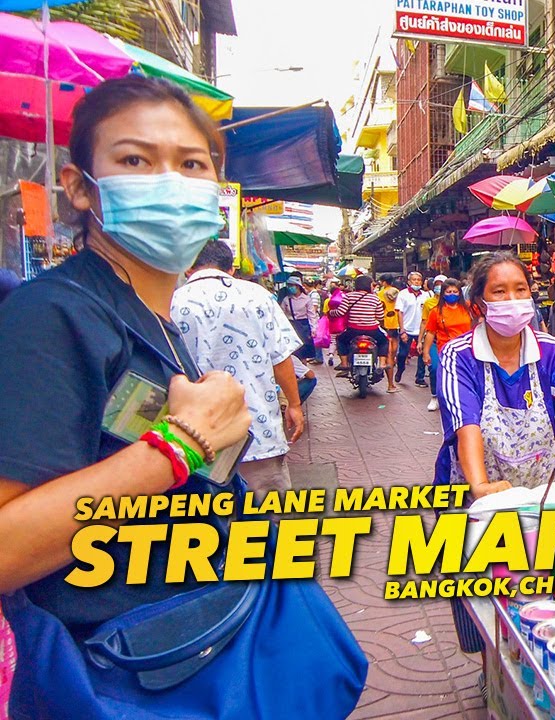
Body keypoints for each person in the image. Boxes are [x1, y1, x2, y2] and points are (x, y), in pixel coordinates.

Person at [0, 75, 364, 717]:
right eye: (136, 160)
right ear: (80, 186)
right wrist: (180, 444)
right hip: (127, 678)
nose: (169, 183)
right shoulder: (51, 316)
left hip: (197, 641)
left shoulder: (149, 314)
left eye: (191, 164)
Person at [436, 252, 555, 495]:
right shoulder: (459, 355)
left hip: (542, 493)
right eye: (499, 291)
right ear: (479, 304)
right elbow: (466, 424)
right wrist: (481, 486)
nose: (512, 299)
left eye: (520, 289)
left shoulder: (551, 351)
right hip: (473, 495)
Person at [172, 239, 306, 492]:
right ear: (231, 269)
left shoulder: (173, 301)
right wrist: (295, 404)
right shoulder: (258, 296)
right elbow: (280, 358)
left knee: (207, 521)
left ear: (188, 268)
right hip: (258, 432)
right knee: (267, 519)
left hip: (195, 437)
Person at [422, 277, 474, 412]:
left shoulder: (468, 307)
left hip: (465, 349)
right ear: (443, 293)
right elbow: (431, 332)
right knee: (434, 369)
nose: (452, 294)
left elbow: (481, 317)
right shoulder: (436, 311)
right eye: (449, 291)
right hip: (443, 348)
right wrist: (426, 352)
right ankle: (435, 396)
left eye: (455, 292)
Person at [336, 274, 393, 390]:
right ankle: (382, 363)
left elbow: (340, 312)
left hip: (353, 330)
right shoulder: (375, 298)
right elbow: (380, 316)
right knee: (384, 341)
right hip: (372, 330)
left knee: (340, 339)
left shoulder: (349, 296)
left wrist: (331, 313)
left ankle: (344, 363)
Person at [395, 271, 430, 388]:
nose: (416, 282)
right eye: (414, 280)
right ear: (409, 282)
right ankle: (400, 370)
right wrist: (402, 330)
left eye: (419, 280)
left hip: (421, 330)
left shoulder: (425, 295)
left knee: (422, 354)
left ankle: (419, 378)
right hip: (407, 329)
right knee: (402, 354)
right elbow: (399, 312)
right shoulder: (403, 294)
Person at [279, 275, 315, 362]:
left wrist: (314, 329)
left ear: (297, 286)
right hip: (291, 325)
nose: (290, 288)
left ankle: (304, 370)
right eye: (289, 285)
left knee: (303, 352)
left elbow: (311, 315)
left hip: (304, 326)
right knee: (293, 351)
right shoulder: (286, 299)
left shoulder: (307, 299)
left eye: (292, 285)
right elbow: (281, 313)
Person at [378, 273, 401, 390]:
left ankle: (390, 384)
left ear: (383, 282)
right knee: (392, 353)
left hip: (385, 324)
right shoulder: (397, 292)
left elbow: (380, 308)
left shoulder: (380, 293)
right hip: (396, 323)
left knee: (388, 355)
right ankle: (391, 385)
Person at [324, 278, 346, 366]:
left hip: (332, 324)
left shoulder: (328, 301)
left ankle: (330, 355)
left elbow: (325, 312)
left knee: (333, 341)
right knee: (342, 342)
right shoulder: (343, 300)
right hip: (342, 325)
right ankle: (343, 361)